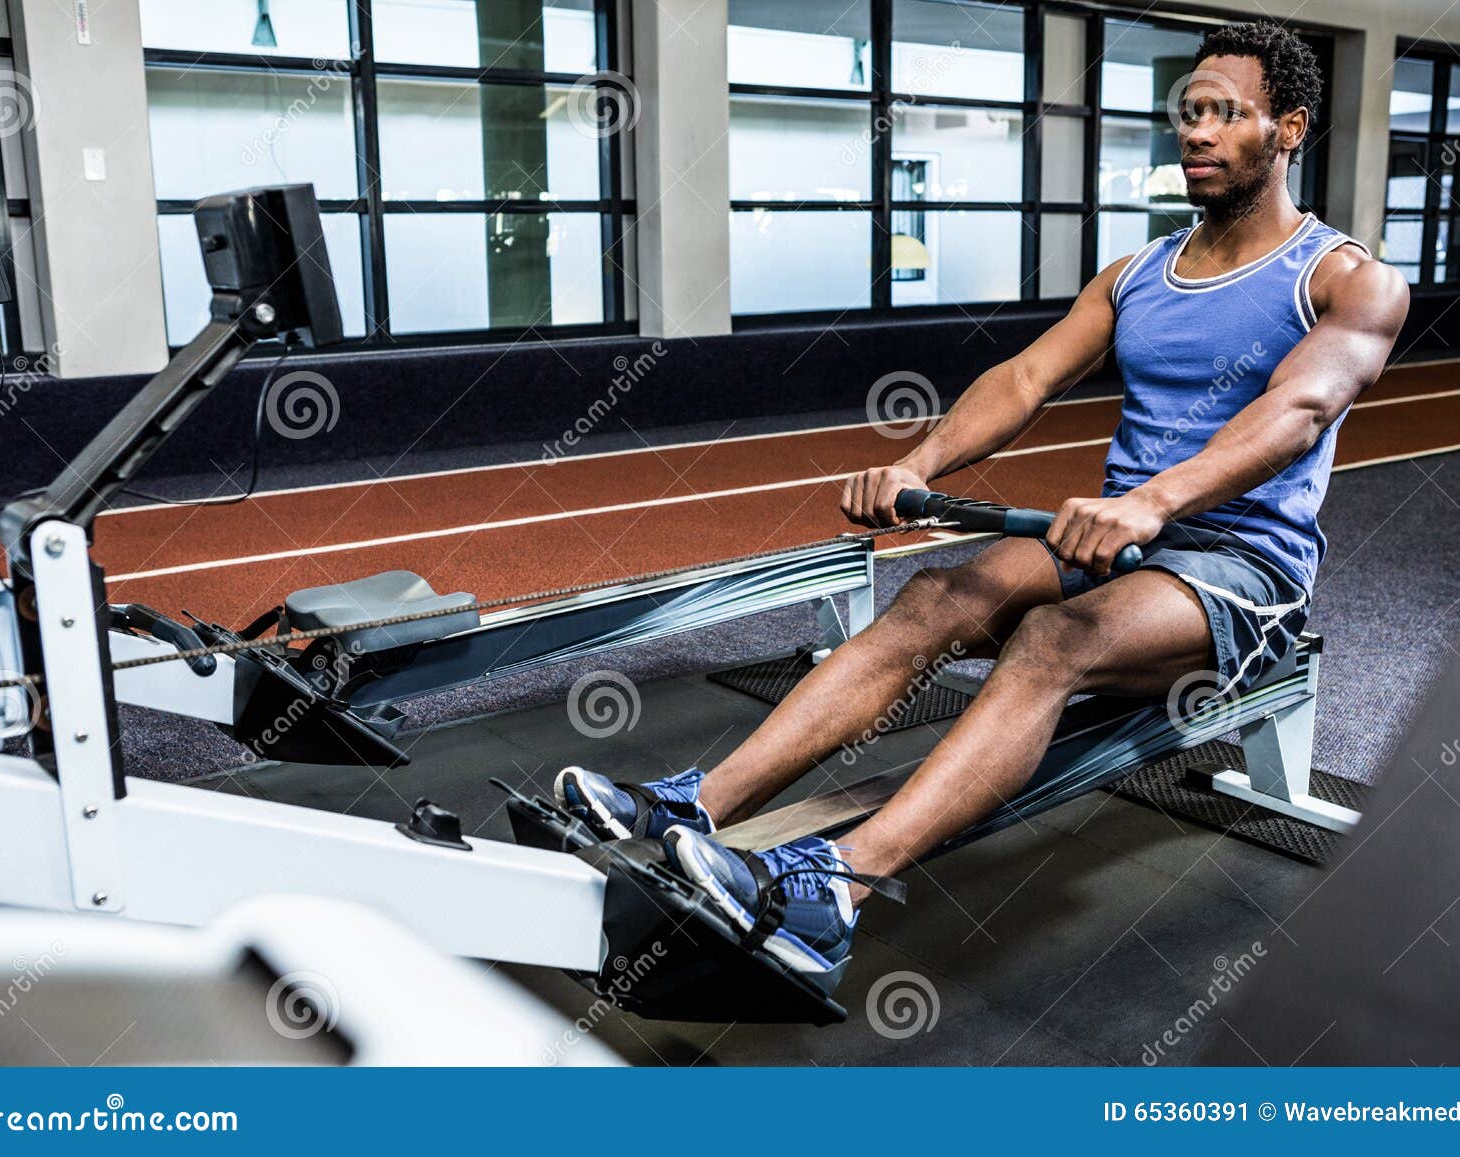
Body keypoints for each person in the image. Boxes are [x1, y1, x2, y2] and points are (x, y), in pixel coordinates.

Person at [557, 20, 1409, 990]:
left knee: (1053, 637)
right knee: (934, 599)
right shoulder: (1139, 273)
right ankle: (688, 805)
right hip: (1109, 541)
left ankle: (834, 890)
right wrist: (913, 464)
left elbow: (1298, 410)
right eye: (1188, 112)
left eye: (1227, 112)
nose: (1198, 132)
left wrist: (1155, 502)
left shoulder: (1348, 280)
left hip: (1236, 569)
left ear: (1287, 128)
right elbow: (1024, 376)